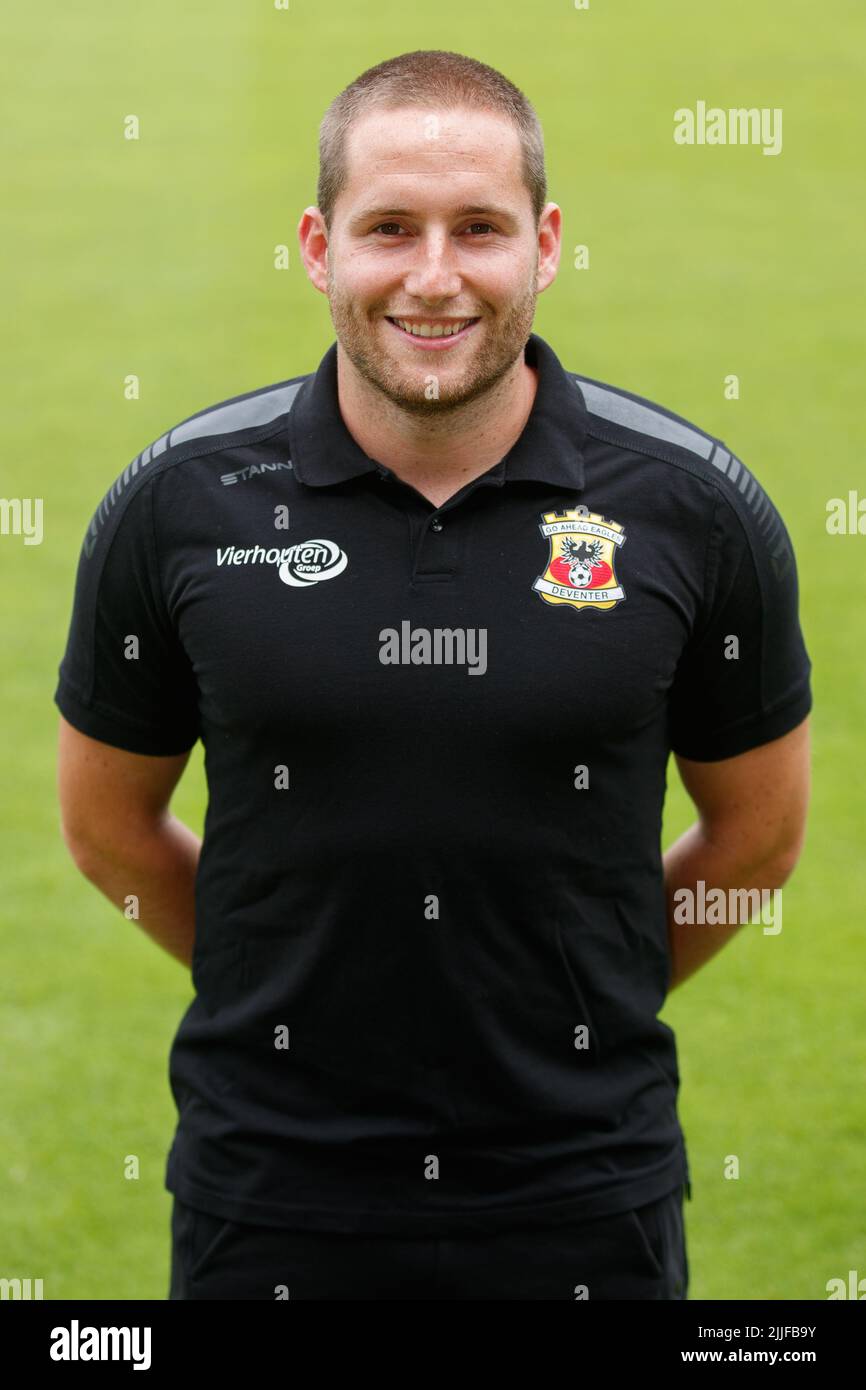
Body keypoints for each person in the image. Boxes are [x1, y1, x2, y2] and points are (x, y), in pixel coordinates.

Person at [54, 50, 812, 1300]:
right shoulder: (175, 505)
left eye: (479, 229)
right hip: (273, 1193)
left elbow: (756, 840)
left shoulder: (693, 511)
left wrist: (579, 990)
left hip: (582, 1189)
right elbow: (105, 828)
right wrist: (290, 984)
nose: (433, 276)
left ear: (547, 242)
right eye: (388, 228)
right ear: (315, 244)